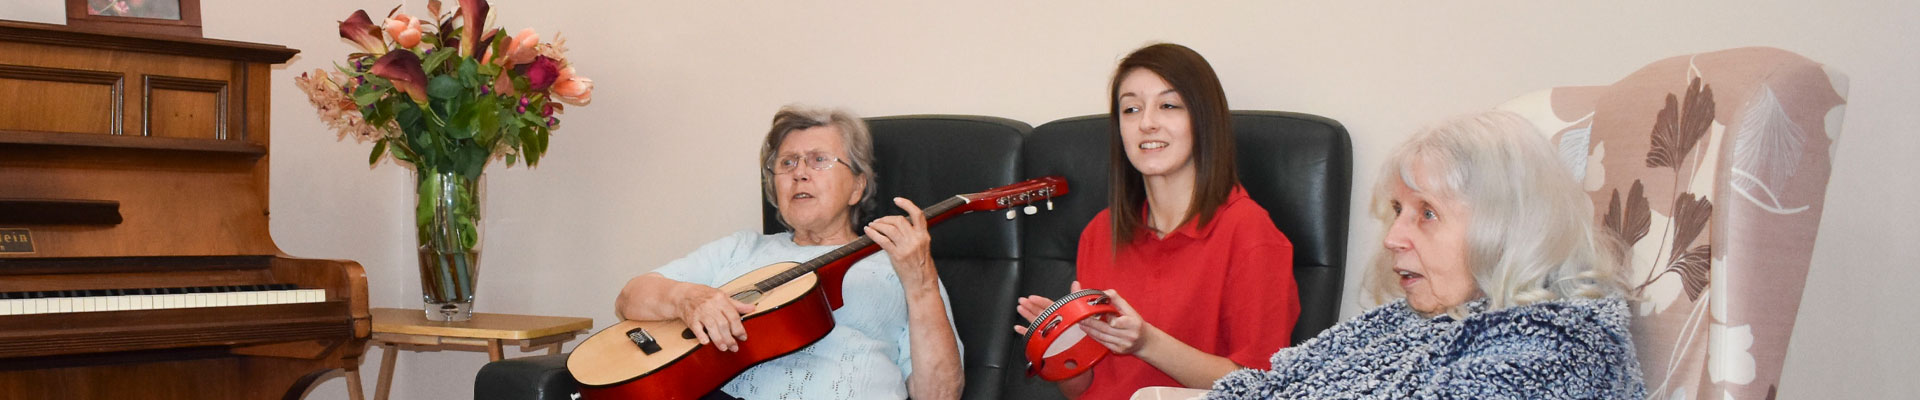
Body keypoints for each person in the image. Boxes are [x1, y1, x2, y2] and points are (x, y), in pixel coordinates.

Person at [1205, 110, 1645, 399]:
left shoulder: (1558, 354)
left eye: (1427, 213)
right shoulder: (1417, 317)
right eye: (1398, 211)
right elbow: (1274, 388)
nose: (1393, 237)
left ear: (1507, 228)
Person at [614, 105, 963, 400]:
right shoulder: (742, 248)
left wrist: (921, 283)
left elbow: (940, 393)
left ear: (857, 186)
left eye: (819, 160)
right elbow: (631, 297)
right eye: (788, 163)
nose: (800, 174)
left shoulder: (902, 262)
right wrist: (687, 298)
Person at [1014, 43, 1300, 399]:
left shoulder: (1251, 234)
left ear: (1203, 120)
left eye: (1168, 105)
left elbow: (1259, 386)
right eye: (1131, 109)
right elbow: (1082, 390)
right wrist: (1062, 340)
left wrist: (1146, 342)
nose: (1146, 123)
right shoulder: (1100, 232)